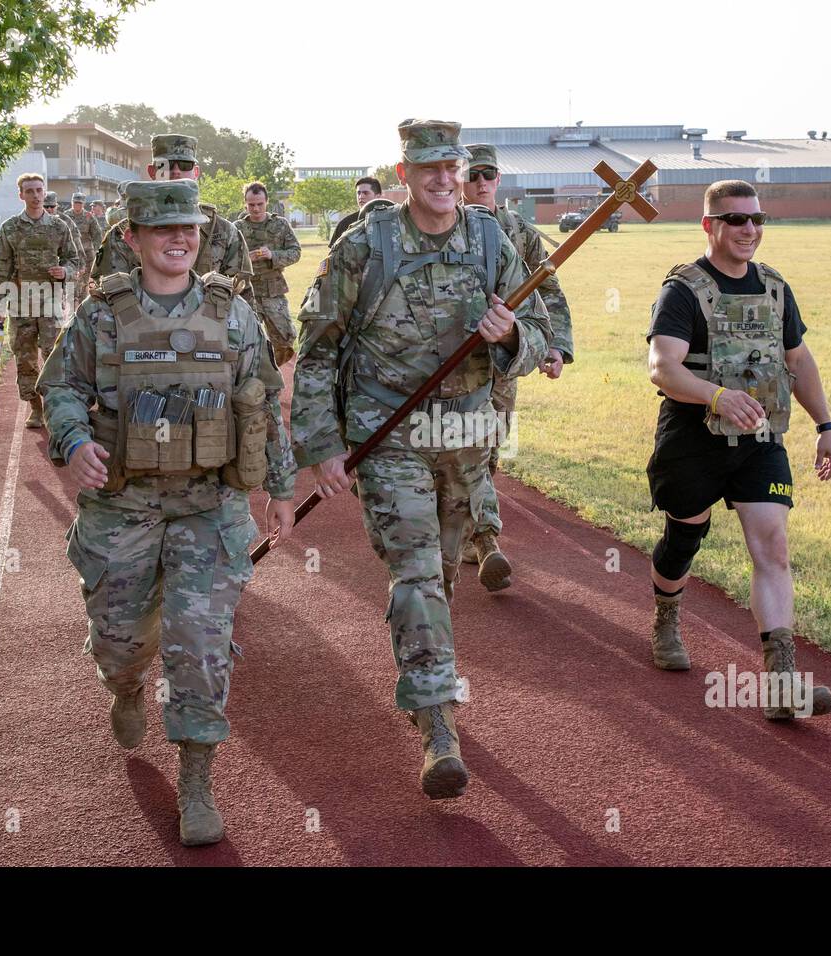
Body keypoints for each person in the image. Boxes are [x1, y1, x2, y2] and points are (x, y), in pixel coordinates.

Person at [292, 119, 551, 799]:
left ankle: (425, 674)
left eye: (452, 167)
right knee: (414, 572)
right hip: (390, 433)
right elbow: (317, 349)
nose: (442, 179)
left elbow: (542, 336)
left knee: (440, 569)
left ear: (463, 171)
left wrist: (512, 335)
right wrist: (322, 446)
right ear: (403, 173)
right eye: (427, 167)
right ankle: (439, 723)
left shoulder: (491, 239)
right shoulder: (363, 247)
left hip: (466, 435)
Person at [37, 178, 297, 847]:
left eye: (188, 229)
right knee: (119, 643)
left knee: (201, 643)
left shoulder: (232, 311)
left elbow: (263, 400)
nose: (180, 240)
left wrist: (281, 490)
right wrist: (73, 440)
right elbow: (61, 384)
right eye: (162, 231)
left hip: (210, 505)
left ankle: (197, 778)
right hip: (123, 505)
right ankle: (125, 688)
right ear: (132, 238)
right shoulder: (102, 314)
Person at [645, 179, 831, 719]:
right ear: (710, 225)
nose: (749, 229)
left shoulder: (775, 288)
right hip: (693, 440)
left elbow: (798, 361)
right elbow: (663, 368)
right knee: (685, 536)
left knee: (772, 545)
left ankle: (781, 682)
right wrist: (719, 396)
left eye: (757, 219)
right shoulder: (683, 289)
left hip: (759, 442)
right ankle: (666, 617)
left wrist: (825, 423)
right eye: (735, 219)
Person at [459, 144, 575, 590]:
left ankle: (475, 533)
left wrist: (556, 346)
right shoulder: (440, 227)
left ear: (498, 179)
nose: (481, 183)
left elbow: (550, 289)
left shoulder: (517, 230)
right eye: (473, 175)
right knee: (456, 444)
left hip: (503, 360)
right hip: (450, 364)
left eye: (488, 175)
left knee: (491, 443)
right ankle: (482, 537)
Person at [92, 136, 247, 295]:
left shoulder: (225, 232)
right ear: (152, 171)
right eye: (165, 165)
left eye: (185, 164)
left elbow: (242, 295)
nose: (175, 171)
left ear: (196, 172)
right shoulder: (121, 235)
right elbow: (106, 300)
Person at [0, 172, 82, 428]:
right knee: (25, 358)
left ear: (45, 192)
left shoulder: (59, 227)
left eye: (39, 190)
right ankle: (35, 408)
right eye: (29, 191)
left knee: (54, 356)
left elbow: (75, 260)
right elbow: (0, 269)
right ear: (21, 195)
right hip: (20, 304)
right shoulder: (10, 228)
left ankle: (56, 406)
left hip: (51, 303)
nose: (35, 196)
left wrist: (66, 272)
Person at [233, 182, 302, 364]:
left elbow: (296, 252)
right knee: (242, 341)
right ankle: (254, 380)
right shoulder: (236, 228)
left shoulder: (280, 225)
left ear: (267, 202)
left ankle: (272, 372)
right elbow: (225, 259)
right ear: (245, 204)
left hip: (273, 290)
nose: (255, 208)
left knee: (286, 339)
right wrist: (245, 259)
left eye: (259, 204)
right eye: (251, 204)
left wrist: (273, 255)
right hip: (245, 291)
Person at [61, 192, 104, 307]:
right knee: (71, 280)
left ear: (83, 204)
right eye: (75, 202)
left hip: (87, 254)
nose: (77, 205)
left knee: (84, 282)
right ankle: (70, 305)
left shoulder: (89, 217)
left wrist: (95, 249)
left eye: (80, 203)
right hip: (71, 254)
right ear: (72, 202)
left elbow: (97, 235)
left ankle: (82, 306)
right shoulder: (66, 216)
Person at [44, 191, 85, 304]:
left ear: (56, 206)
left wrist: (81, 265)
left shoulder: (66, 221)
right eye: (45, 206)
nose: (49, 209)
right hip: (42, 271)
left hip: (63, 268)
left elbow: (77, 244)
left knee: (69, 298)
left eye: (52, 206)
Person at [329, 176, 382, 249]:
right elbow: (333, 256)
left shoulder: (391, 220)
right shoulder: (345, 224)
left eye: (366, 193)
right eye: (358, 193)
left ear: (377, 196)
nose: (361, 196)